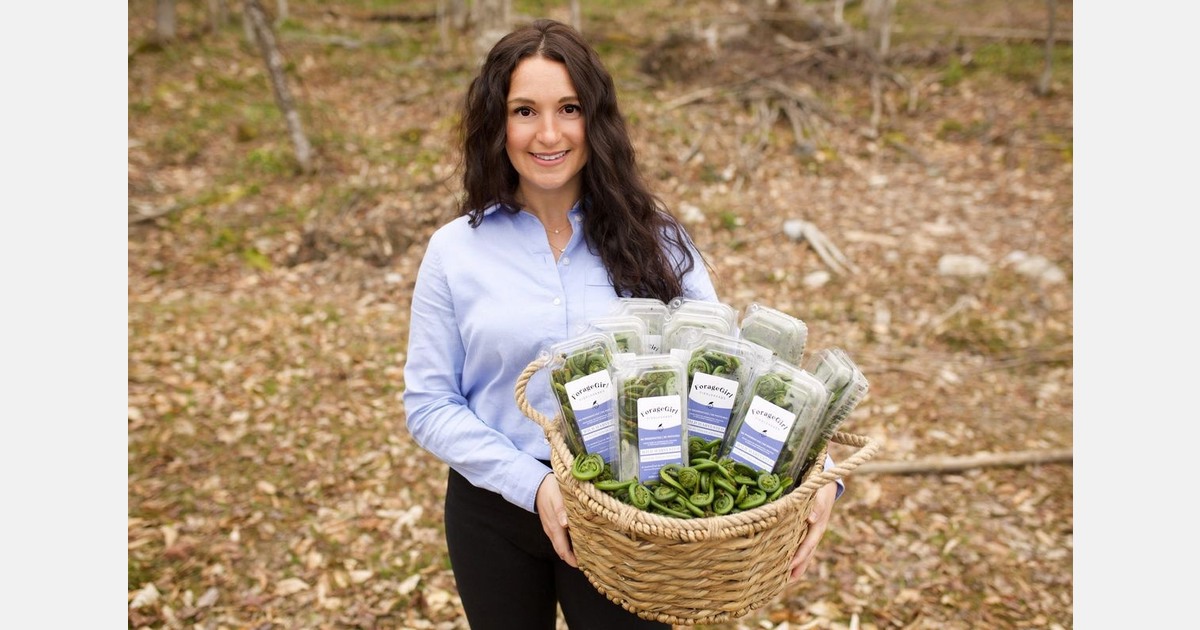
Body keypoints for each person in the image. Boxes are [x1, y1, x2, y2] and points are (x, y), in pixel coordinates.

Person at [402, 18, 840, 630]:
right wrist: (532, 485)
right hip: (492, 510)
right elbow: (429, 403)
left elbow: (732, 384)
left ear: (596, 119)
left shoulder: (657, 240)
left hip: (636, 521)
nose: (548, 133)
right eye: (524, 110)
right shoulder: (454, 252)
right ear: (496, 124)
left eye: (569, 108)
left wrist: (818, 481)